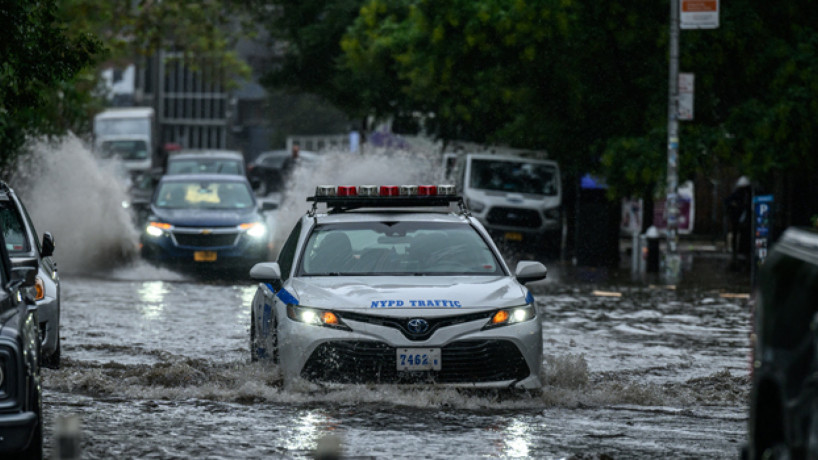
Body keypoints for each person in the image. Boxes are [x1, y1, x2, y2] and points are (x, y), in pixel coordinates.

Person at [725, 176, 752, 271]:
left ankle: (740, 251)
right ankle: (737, 251)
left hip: (740, 218)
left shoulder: (746, 195)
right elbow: (728, 202)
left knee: (740, 234)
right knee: (737, 234)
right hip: (737, 217)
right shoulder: (740, 195)